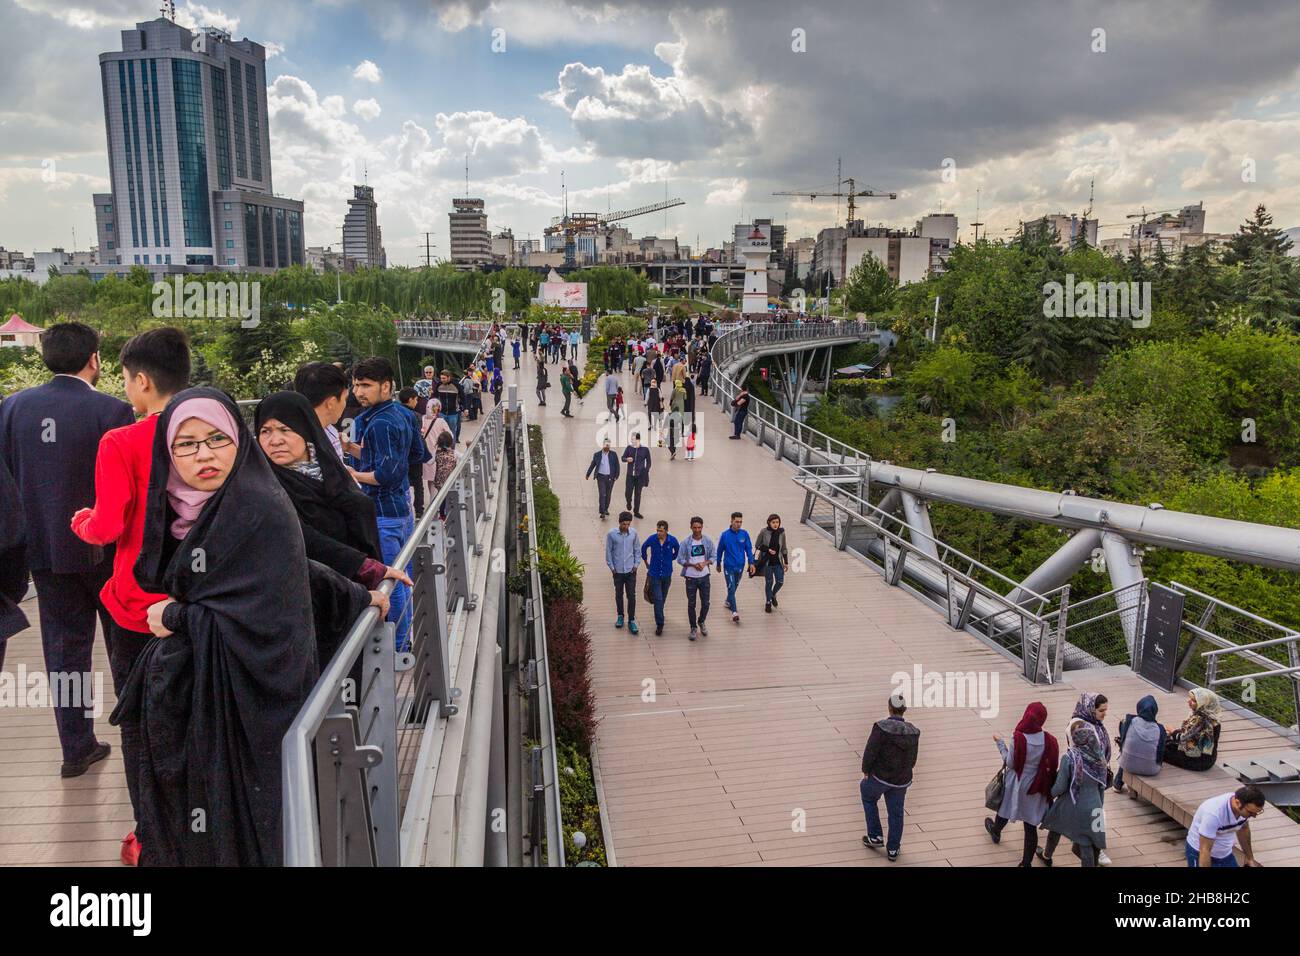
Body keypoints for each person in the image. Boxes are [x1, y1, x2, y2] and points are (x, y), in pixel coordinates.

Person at [121, 388, 355, 865]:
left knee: (239, 823)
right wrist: (361, 584)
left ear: (236, 442)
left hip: (251, 703)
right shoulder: (187, 509)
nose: (203, 454)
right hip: (200, 695)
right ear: (168, 453)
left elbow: (263, 609)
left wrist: (175, 615)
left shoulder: (254, 507)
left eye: (217, 439)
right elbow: (292, 568)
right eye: (186, 444)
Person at [68, 326, 190, 866]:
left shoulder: (122, 441)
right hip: (199, 603)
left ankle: (151, 837)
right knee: (195, 715)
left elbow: (108, 524)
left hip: (137, 608)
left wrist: (82, 522)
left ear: (141, 381)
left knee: (140, 723)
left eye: (125, 380)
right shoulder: (212, 433)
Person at [0, 322, 134, 781]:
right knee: (124, 644)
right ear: (94, 358)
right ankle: (135, 735)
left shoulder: (11, 408)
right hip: (106, 551)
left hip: (42, 552)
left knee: (64, 650)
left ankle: (76, 748)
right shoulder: (113, 411)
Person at [254, 390, 409, 594]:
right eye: (265, 431)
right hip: (314, 601)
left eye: (285, 429)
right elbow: (301, 537)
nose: (275, 440)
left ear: (306, 429)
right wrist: (365, 568)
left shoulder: (330, 469)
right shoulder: (261, 485)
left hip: (361, 594)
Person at [344, 357, 427, 651]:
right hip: (402, 508)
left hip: (383, 512)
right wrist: (353, 449)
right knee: (404, 576)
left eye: (366, 385)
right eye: (355, 385)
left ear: (386, 386)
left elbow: (385, 474)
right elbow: (417, 453)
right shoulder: (403, 414)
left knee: (390, 581)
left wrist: (354, 474)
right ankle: (407, 640)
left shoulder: (379, 423)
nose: (358, 392)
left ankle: (401, 648)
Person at [984, 702, 1060, 867]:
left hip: (1017, 783)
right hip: (1037, 786)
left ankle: (996, 831)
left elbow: (1010, 762)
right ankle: (1026, 863)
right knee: (1030, 826)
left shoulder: (1019, 737)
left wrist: (1000, 743)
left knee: (1005, 807)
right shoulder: (1049, 740)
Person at [1038, 723, 1110, 868]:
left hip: (1071, 803)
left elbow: (1060, 787)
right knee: (1087, 843)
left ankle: (1047, 855)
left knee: (1055, 827)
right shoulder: (1100, 758)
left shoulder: (1070, 757)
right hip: (1095, 805)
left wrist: (1047, 797)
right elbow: (1102, 786)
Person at [860, 694, 921, 862]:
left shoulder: (881, 727)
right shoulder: (914, 732)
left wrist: (866, 770)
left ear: (889, 708)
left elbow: (871, 750)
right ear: (904, 710)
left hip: (880, 777)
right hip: (901, 780)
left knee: (867, 795)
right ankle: (893, 849)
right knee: (896, 813)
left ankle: (875, 836)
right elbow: (913, 759)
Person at [1186, 786, 1265, 867]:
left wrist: (1250, 859)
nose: (1254, 816)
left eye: (1258, 812)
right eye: (1250, 812)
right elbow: (1204, 850)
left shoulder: (1244, 810)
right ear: (1237, 803)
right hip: (1199, 852)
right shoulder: (1213, 814)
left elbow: (1243, 829)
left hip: (1225, 854)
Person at [293, 362, 352, 463]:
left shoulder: (328, 430)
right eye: (344, 399)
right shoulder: (301, 445)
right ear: (331, 403)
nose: (344, 404)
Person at [1113, 694, 1166, 792]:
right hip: (1151, 769)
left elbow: (1123, 739)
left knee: (1127, 751)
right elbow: (1161, 750)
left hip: (1127, 764)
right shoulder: (1160, 729)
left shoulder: (1129, 721)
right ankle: (1131, 787)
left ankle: (1117, 784)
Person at [1164, 687, 1223, 771]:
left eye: (1194, 701)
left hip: (1196, 761)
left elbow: (1184, 739)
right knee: (1165, 742)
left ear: (1203, 704)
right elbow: (1191, 735)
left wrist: (1172, 731)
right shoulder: (1213, 718)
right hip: (1207, 758)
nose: (1189, 701)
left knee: (1159, 748)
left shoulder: (1201, 720)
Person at [677, 516, 714, 641]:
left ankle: (701, 621)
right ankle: (693, 627)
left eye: (699, 527)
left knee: (706, 603)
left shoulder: (708, 541)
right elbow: (680, 559)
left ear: (702, 527)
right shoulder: (686, 542)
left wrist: (704, 563)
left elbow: (714, 556)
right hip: (690, 578)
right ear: (691, 527)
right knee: (691, 603)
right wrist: (693, 565)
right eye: (695, 527)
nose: (697, 530)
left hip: (704, 576)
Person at [641, 520, 679, 636]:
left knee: (663, 597)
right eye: (657, 530)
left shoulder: (672, 540)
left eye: (661, 531)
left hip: (667, 574)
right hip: (654, 574)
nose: (658, 533)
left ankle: (659, 613)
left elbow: (677, 551)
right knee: (658, 598)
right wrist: (645, 560)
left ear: (666, 531)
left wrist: (670, 559)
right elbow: (644, 547)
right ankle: (660, 624)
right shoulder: (652, 539)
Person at [605, 511, 640, 635]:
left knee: (631, 596)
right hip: (618, 571)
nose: (626, 527)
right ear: (619, 523)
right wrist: (612, 568)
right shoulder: (612, 534)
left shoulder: (634, 534)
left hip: (631, 571)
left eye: (628, 524)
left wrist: (636, 565)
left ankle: (631, 620)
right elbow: (608, 552)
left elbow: (637, 550)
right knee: (618, 594)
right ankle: (620, 616)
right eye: (624, 524)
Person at [717, 511, 755, 623]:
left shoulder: (744, 534)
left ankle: (728, 602)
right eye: (736, 521)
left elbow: (748, 549)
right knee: (731, 587)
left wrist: (751, 563)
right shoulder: (725, 535)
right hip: (728, 566)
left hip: (740, 566)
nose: (739, 524)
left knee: (735, 586)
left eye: (740, 522)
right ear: (731, 521)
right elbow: (720, 550)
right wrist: (718, 563)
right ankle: (734, 612)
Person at [753, 513, 789, 613]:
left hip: (778, 561)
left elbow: (784, 548)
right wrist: (768, 550)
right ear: (769, 522)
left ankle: (772, 595)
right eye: (773, 522)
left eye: (777, 522)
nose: (775, 524)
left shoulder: (782, 533)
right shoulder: (764, 532)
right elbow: (757, 545)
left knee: (780, 582)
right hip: (767, 562)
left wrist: (786, 562)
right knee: (769, 582)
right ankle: (768, 602)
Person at [585, 438, 620, 519]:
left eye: (608, 445)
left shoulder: (613, 454)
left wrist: (616, 476)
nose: (607, 447)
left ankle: (606, 509)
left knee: (608, 494)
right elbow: (593, 465)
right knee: (602, 494)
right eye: (605, 445)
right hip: (600, 477)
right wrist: (588, 474)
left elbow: (617, 466)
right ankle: (602, 511)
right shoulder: (597, 454)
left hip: (610, 478)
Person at [621, 433, 651, 519]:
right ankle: (629, 502)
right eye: (631, 439)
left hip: (640, 476)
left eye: (633, 439)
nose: (632, 440)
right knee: (628, 493)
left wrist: (646, 470)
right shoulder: (629, 448)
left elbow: (649, 461)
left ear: (638, 440)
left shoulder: (645, 449)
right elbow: (622, 457)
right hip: (630, 475)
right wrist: (626, 459)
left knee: (638, 494)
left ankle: (636, 511)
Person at [436, 369, 462, 441]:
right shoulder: (439, 385)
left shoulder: (456, 385)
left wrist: (465, 408)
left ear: (449, 377)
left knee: (452, 432)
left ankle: (452, 449)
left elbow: (462, 396)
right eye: (441, 378)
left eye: (444, 378)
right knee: (442, 431)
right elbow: (434, 397)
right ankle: (444, 448)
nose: (442, 380)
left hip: (453, 413)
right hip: (442, 413)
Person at [646, 379, 663, 445]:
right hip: (656, 403)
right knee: (656, 414)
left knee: (649, 413)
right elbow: (661, 396)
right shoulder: (658, 389)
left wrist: (645, 403)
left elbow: (647, 396)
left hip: (650, 403)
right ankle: (655, 425)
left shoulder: (649, 389)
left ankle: (650, 425)